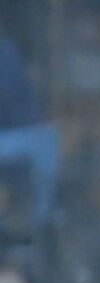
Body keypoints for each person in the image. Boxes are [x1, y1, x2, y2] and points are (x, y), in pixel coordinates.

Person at [0, 16, 59, 230]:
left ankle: (43, 215)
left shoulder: (7, 49)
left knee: (49, 138)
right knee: (44, 141)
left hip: (16, 133)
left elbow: (20, 95)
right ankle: (42, 214)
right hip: (9, 136)